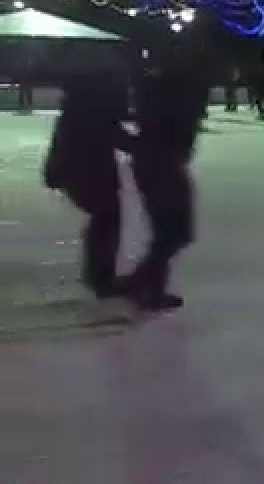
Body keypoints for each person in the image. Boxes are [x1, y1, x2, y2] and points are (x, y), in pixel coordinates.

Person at [121, 56, 206, 310]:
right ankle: (146, 286)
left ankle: (142, 283)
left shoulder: (159, 98)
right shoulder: (172, 103)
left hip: (159, 165)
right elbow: (171, 135)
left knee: (171, 232)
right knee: (173, 232)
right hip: (162, 166)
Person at [42, 71, 133, 299]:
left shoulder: (77, 110)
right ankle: (101, 277)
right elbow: (117, 137)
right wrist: (152, 147)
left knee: (104, 220)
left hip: (82, 174)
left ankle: (98, 274)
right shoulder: (92, 112)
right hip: (90, 174)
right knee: (107, 220)